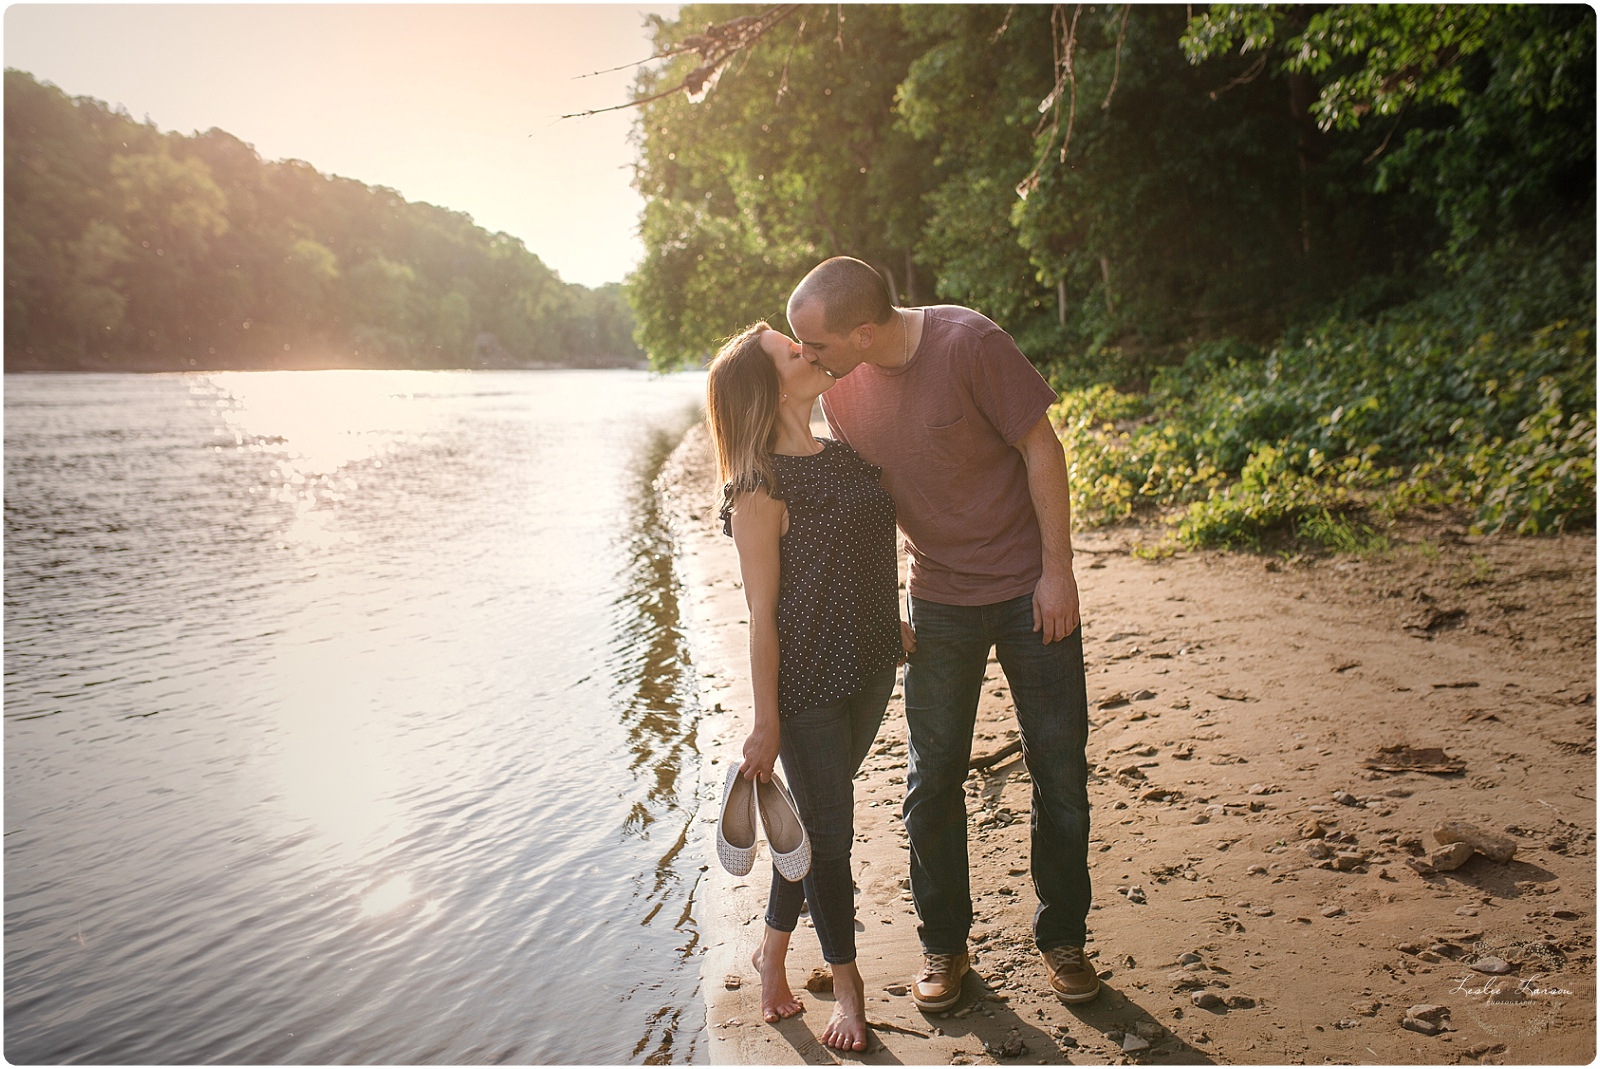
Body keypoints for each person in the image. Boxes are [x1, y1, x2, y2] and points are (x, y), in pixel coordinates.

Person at [785, 257, 1101, 1010]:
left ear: (863, 332)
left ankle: (1063, 937)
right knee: (930, 781)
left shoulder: (969, 342)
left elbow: (1042, 448)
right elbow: (867, 499)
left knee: (1060, 772)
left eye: (815, 344)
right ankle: (945, 946)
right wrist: (884, 601)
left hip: (1030, 590)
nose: (806, 357)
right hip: (938, 598)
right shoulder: (840, 388)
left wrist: (1058, 572)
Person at [705, 321, 915, 1052]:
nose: (807, 350)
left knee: (817, 825)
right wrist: (765, 721)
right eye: (789, 350)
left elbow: (867, 544)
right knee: (831, 835)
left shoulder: (846, 455)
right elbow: (761, 614)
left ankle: (770, 950)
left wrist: (894, 621)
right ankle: (849, 987)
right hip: (805, 685)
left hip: (870, 666)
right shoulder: (758, 484)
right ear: (767, 385)